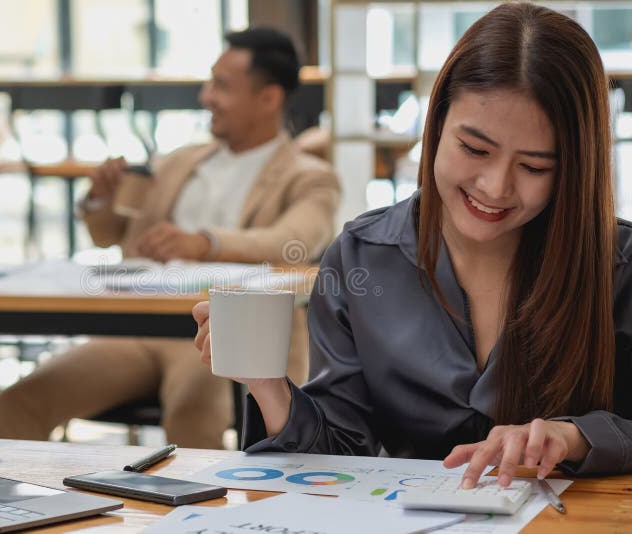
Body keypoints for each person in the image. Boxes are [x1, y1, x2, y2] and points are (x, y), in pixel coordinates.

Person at [194, 3, 632, 487]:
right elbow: (338, 453)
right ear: (437, 124)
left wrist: (575, 437)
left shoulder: (620, 265)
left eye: (533, 167)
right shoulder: (361, 257)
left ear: (574, 168)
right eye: (475, 149)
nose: (495, 187)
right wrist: (267, 383)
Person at [0, 27, 341, 448]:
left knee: (192, 414)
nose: (206, 96)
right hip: (139, 328)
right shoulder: (178, 162)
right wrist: (98, 201)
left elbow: (293, 243)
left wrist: (205, 243)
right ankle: (7, 514)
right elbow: (112, 236)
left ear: (269, 98)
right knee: (21, 400)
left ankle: (207, 517)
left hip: (221, 334)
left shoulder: (311, 177)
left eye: (222, 86)